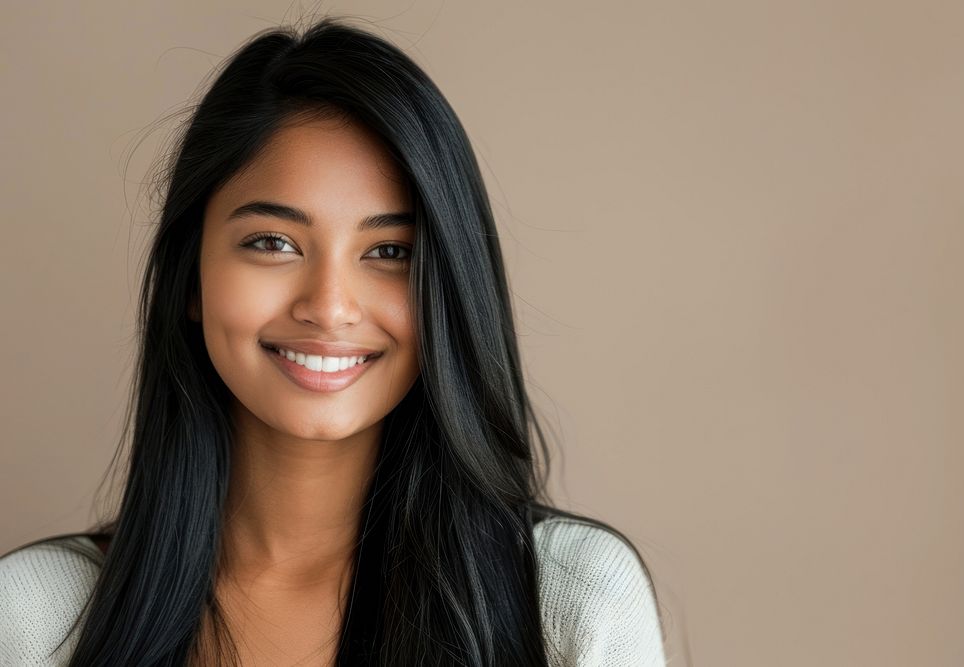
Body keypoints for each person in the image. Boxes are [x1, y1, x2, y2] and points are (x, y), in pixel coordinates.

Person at [0, 17, 670, 666]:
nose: (328, 307)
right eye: (273, 242)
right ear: (191, 278)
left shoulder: (573, 600)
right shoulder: (35, 617)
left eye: (389, 251)